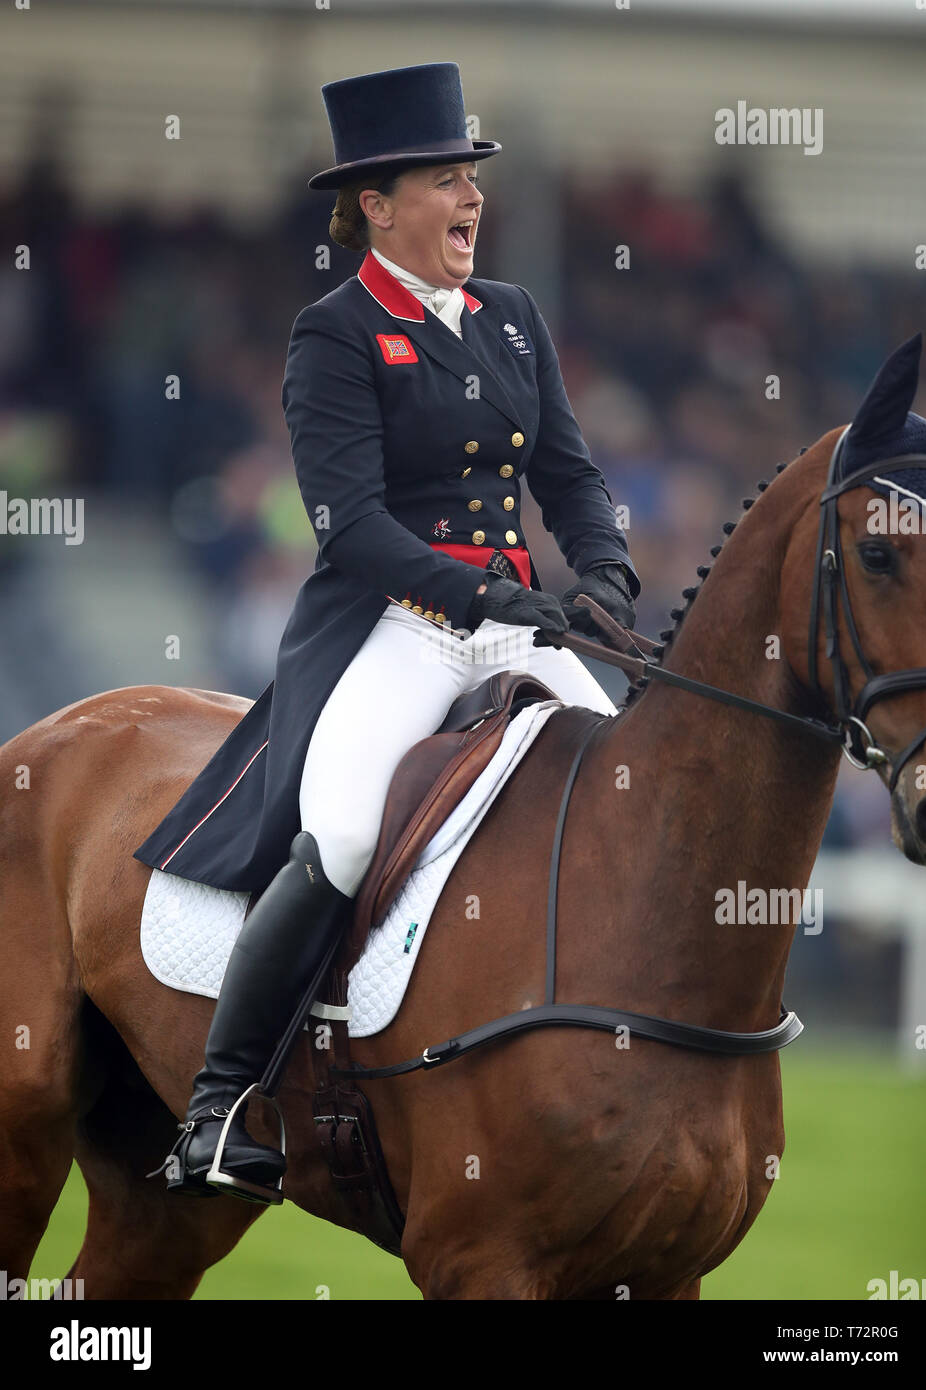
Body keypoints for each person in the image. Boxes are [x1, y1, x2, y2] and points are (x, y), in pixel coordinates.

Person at [138, 62, 639, 1204]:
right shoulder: (336, 333)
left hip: (521, 623)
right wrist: (484, 597)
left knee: (625, 789)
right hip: (400, 626)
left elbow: (569, 477)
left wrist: (605, 569)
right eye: (447, 179)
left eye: (473, 177)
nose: (473, 198)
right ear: (376, 203)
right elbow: (351, 525)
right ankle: (220, 1106)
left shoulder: (513, 318)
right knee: (349, 834)